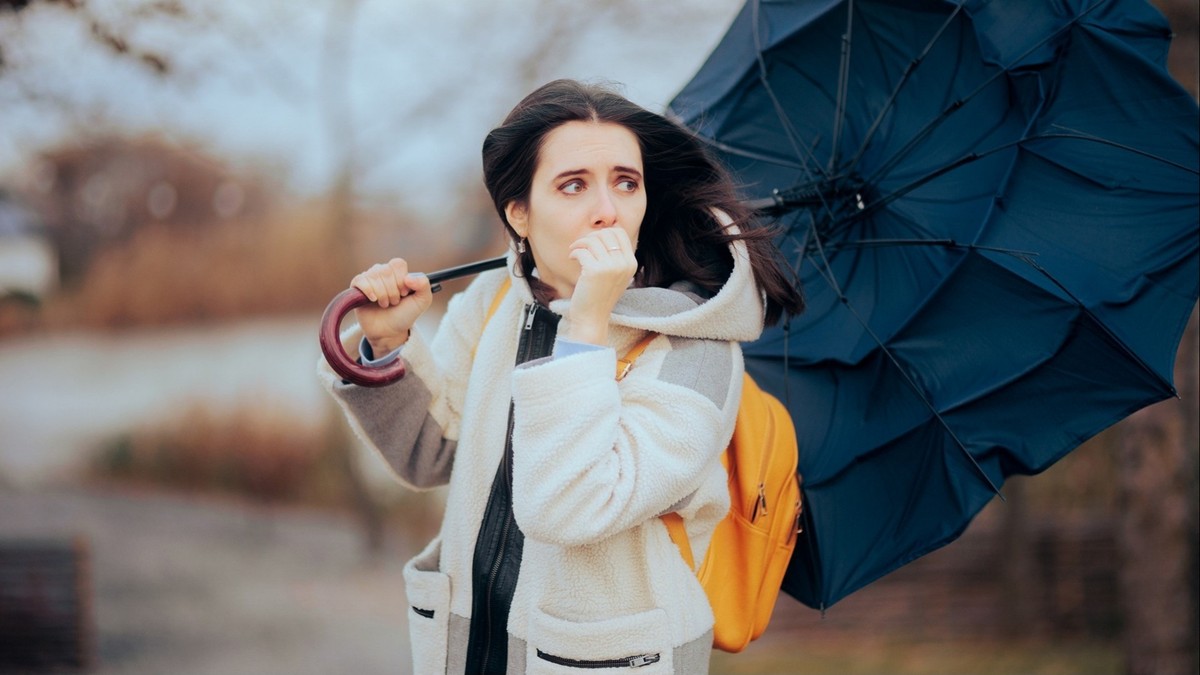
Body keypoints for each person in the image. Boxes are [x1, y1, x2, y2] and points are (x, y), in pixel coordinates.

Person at [318, 79, 804, 674]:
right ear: (519, 212)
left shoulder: (695, 351)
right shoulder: (493, 301)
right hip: (473, 647)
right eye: (574, 185)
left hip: (601, 659)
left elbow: (571, 507)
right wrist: (387, 342)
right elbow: (433, 454)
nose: (608, 209)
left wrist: (588, 324)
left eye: (626, 182)